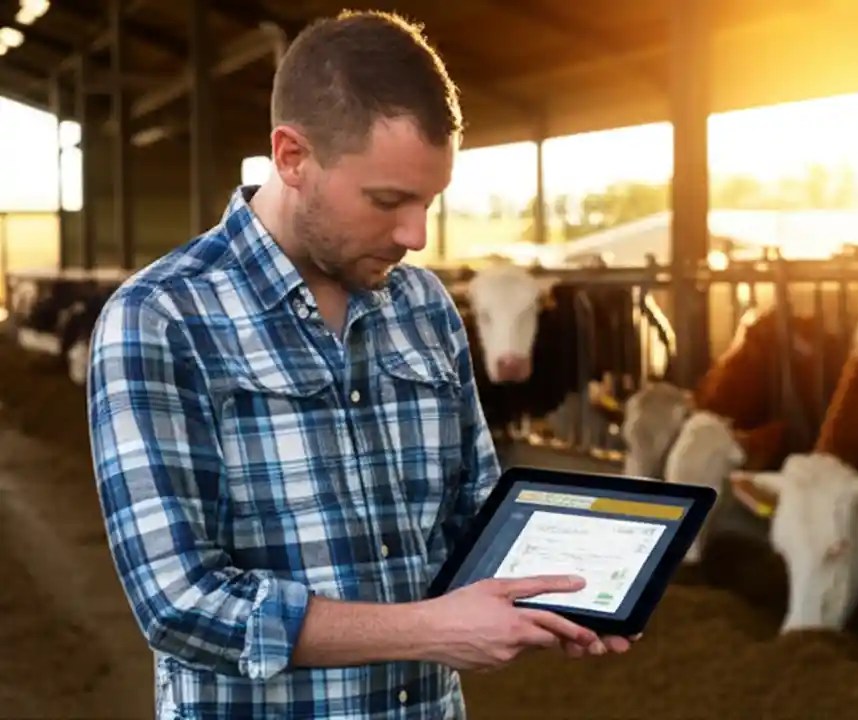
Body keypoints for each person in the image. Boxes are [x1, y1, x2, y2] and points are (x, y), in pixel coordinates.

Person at [87, 10, 633, 720]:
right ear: (291, 157)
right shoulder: (162, 318)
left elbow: (475, 518)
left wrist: (576, 588)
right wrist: (431, 629)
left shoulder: (425, 306)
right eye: (388, 200)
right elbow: (181, 604)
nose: (417, 234)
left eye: (429, 201)